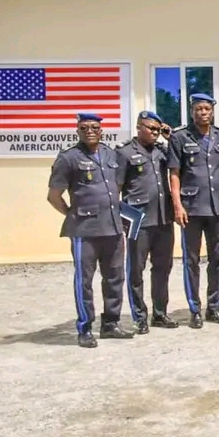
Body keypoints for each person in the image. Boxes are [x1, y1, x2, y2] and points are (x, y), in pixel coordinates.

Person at [47, 113, 131, 347]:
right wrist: (71, 215)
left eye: (95, 127)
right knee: (84, 280)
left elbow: (118, 186)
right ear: (78, 131)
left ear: (102, 130)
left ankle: (111, 323)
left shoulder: (111, 154)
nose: (90, 131)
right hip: (85, 231)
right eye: (84, 128)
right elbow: (53, 196)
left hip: (113, 228)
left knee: (115, 277)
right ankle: (85, 328)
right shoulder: (69, 158)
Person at [167, 92, 219, 329]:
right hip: (191, 208)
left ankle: (214, 307)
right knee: (191, 260)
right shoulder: (179, 137)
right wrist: (177, 205)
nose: (203, 113)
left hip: (217, 207)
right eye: (198, 109)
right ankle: (195, 309)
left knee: (218, 259)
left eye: (206, 108)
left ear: (213, 111)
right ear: (192, 111)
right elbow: (174, 174)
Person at [115, 110, 177, 332]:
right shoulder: (124, 153)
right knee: (136, 270)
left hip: (163, 218)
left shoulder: (162, 150)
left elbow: (181, 157)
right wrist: (122, 220)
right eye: (151, 128)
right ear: (138, 127)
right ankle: (140, 316)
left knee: (163, 268)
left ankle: (160, 313)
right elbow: (116, 190)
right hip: (137, 220)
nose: (155, 133)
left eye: (158, 130)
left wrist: (171, 136)